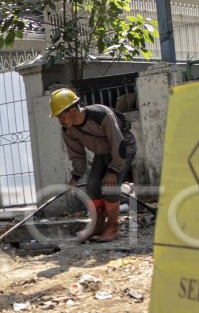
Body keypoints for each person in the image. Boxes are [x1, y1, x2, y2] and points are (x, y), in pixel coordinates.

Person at [49, 88, 137, 242]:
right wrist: (75, 178)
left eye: (62, 114)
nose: (60, 119)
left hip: (123, 148)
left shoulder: (102, 116)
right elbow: (77, 155)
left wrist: (113, 171)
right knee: (93, 185)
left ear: (74, 109)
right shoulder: (68, 130)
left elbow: (118, 143)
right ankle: (97, 226)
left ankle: (112, 228)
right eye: (58, 116)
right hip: (102, 152)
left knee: (110, 187)